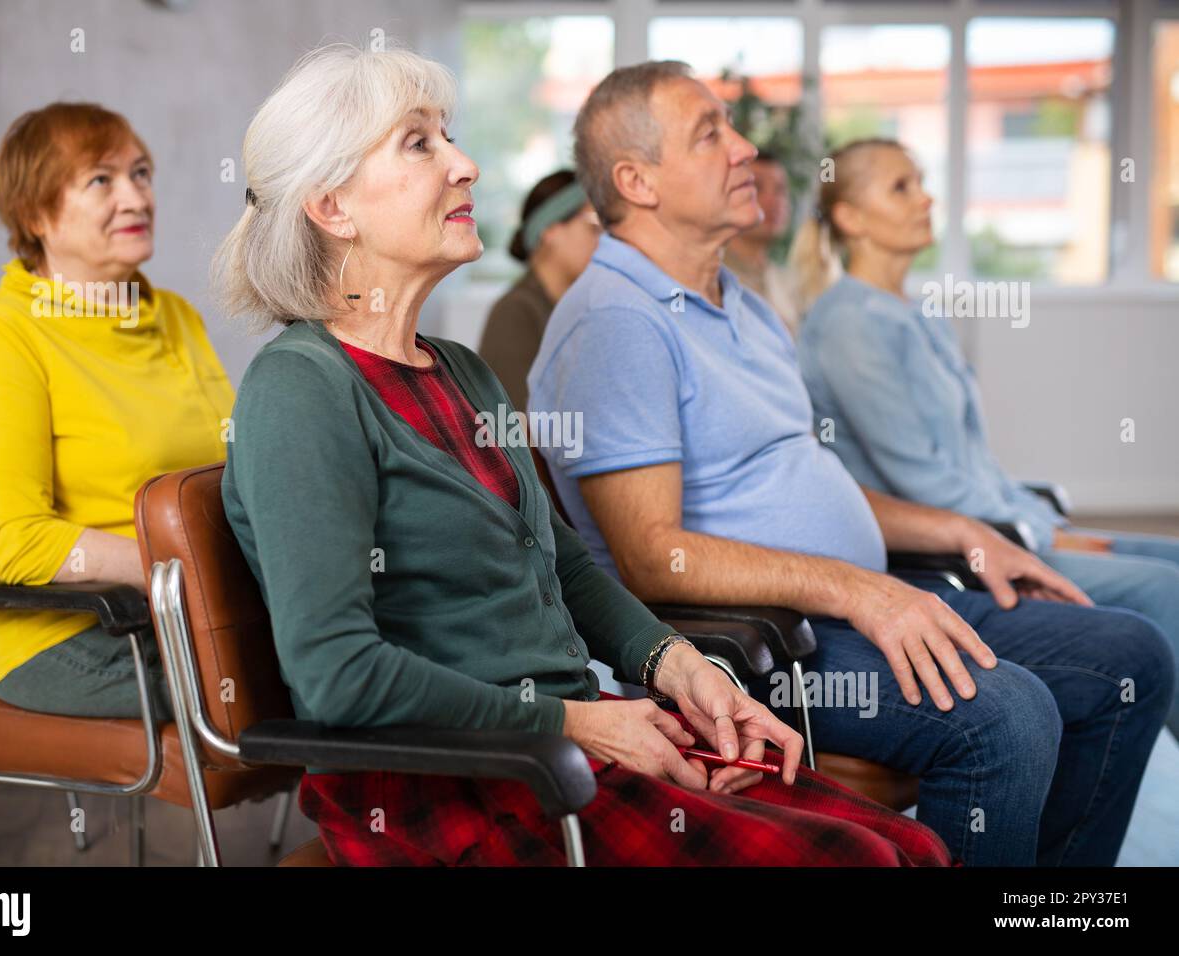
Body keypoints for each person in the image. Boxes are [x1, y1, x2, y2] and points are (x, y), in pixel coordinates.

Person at [214, 40, 955, 867]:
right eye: (420, 144)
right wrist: (576, 722)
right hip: (461, 783)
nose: (465, 166)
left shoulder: (461, 372)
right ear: (332, 207)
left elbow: (566, 570)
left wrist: (682, 668)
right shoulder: (301, 392)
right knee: (867, 862)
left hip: (568, 745)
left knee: (912, 848)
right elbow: (339, 678)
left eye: (448, 137)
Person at [527, 61, 1174, 866]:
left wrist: (963, 531)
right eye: (710, 133)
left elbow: (804, 480)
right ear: (638, 180)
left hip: (852, 607)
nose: (742, 150)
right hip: (750, 647)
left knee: (1130, 655)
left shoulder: (742, 303)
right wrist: (860, 589)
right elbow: (653, 556)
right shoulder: (614, 323)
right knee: (1008, 716)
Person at [794, 138, 1179, 740]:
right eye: (901, 187)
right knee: (1167, 588)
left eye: (921, 181)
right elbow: (923, 481)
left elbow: (978, 467)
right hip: (944, 556)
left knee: (1169, 558)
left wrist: (1056, 528)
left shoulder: (916, 314)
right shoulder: (851, 324)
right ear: (850, 218)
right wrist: (1049, 537)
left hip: (996, 529)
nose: (926, 198)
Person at [0, 103, 235, 720]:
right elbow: (18, 542)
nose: (135, 197)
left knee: (363, 643)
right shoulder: (0, 332)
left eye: (141, 173)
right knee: (289, 681)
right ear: (36, 213)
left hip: (193, 608)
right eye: (101, 179)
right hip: (70, 632)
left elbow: (232, 466)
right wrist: (192, 569)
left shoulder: (175, 315)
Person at [478, 170, 602, 409]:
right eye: (594, 227)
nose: (605, 240)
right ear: (550, 230)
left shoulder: (582, 308)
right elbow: (516, 430)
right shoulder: (515, 313)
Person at [722, 150, 801, 336]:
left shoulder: (788, 280)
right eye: (756, 187)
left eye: (780, 190)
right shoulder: (712, 281)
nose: (773, 201)